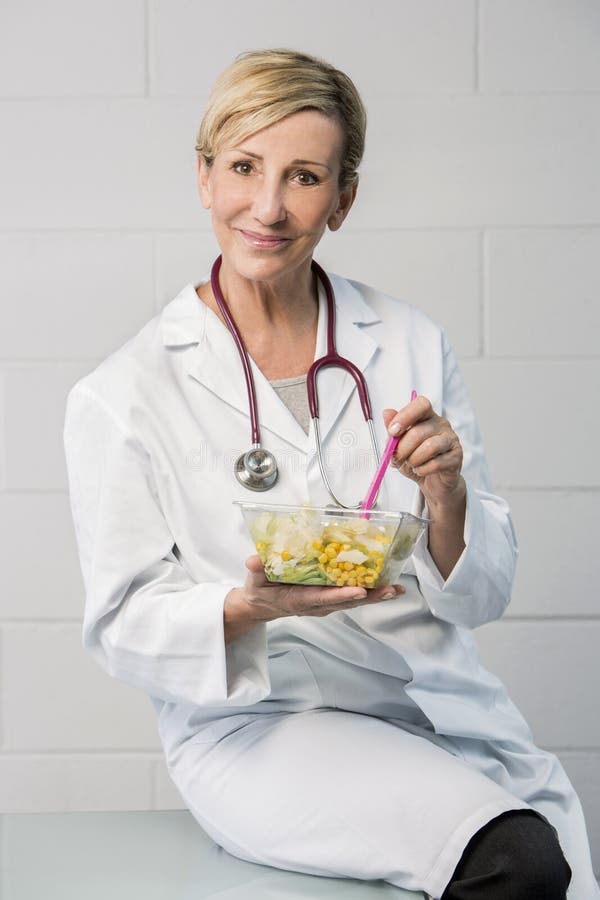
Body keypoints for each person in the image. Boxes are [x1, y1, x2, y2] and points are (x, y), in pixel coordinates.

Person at [63, 49, 597, 899]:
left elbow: (485, 594)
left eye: (304, 176)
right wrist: (248, 606)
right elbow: (123, 625)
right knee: (516, 860)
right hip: (266, 724)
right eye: (242, 167)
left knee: (550, 861)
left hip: (440, 702)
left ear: (343, 198)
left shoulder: (412, 341)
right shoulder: (124, 394)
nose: (267, 207)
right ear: (203, 177)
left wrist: (447, 495)